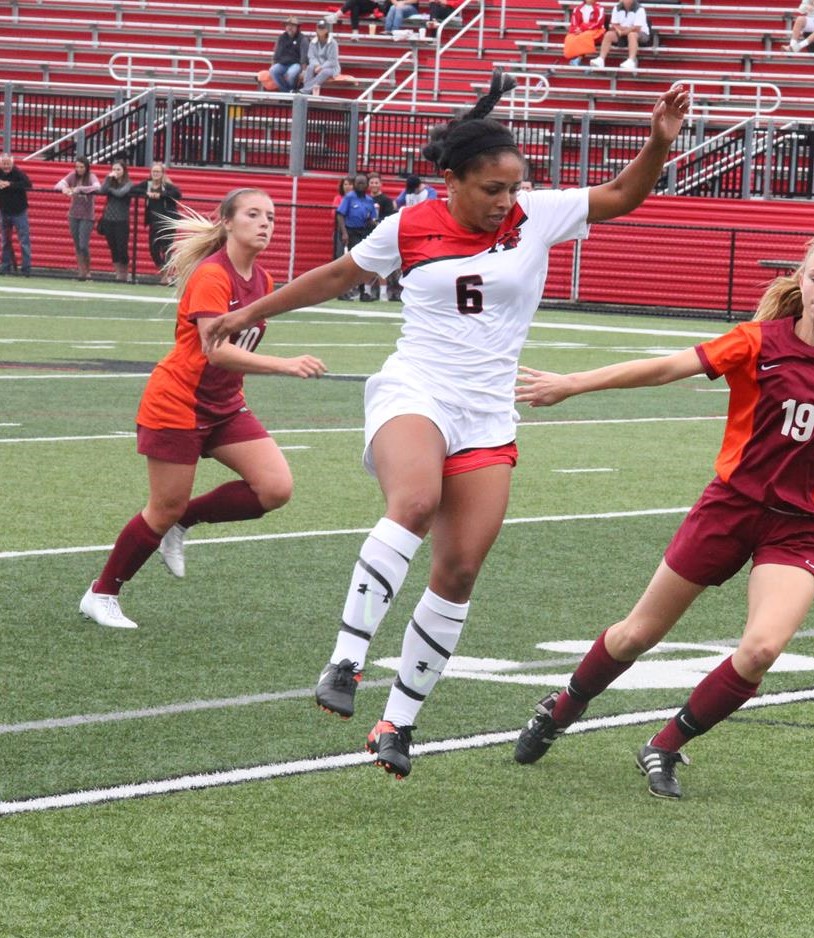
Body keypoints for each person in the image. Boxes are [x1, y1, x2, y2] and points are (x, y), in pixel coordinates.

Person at [197, 74, 692, 780]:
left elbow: (621, 196)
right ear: (452, 181)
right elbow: (338, 275)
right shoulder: (411, 225)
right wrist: (248, 314)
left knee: (459, 569)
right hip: (416, 389)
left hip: (488, 411)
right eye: (493, 188)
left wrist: (657, 142)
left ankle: (396, 722)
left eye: (514, 187)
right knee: (415, 501)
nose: (506, 200)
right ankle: (346, 657)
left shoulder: (538, 215)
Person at [510, 234, 814, 801]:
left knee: (760, 650)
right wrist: (573, 384)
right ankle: (561, 708)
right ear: (799, 279)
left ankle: (664, 744)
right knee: (637, 635)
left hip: (801, 526)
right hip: (730, 508)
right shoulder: (756, 342)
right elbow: (666, 368)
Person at [78, 189, 327, 629]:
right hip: (178, 403)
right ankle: (102, 593)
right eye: (253, 214)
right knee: (163, 508)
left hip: (225, 405)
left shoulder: (263, 280)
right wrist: (285, 365)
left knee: (274, 488)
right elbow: (216, 351)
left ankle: (184, 522)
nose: (265, 223)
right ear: (227, 221)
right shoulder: (213, 275)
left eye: (270, 216)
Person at [55, 158, 101, 281]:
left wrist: (80, 189)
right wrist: (64, 189)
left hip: (87, 216)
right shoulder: (72, 175)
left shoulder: (91, 176)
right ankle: (81, 272)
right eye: (77, 167)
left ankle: (88, 270)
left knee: (83, 245)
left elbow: (97, 187)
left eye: (82, 167)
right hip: (73, 215)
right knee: (77, 245)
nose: (79, 169)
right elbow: (58, 184)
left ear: (86, 167)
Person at [335, 174, 378, 300]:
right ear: (355, 185)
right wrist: (344, 233)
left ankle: (362, 292)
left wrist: (375, 224)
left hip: (362, 232)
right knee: (346, 262)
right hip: (349, 232)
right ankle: (342, 292)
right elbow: (340, 215)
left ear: (367, 185)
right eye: (358, 183)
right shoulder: (349, 197)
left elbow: (371, 218)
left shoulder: (369, 200)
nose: (361, 185)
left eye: (363, 183)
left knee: (361, 263)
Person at [136, 162, 183, 274]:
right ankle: (164, 271)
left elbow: (177, 194)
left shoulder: (167, 186)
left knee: (166, 247)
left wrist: (160, 195)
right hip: (154, 221)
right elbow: (133, 190)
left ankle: (168, 274)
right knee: (153, 248)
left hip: (167, 220)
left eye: (158, 172)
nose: (155, 174)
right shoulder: (148, 184)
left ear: (162, 173)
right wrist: (147, 193)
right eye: (154, 171)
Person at [98, 161, 134, 283]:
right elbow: (102, 190)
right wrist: (108, 179)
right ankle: (118, 273)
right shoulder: (109, 182)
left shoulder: (128, 183)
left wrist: (111, 190)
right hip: (108, 219)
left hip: (121, 221)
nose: (116, 172)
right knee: (113, 247)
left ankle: (125, 273)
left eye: (118, 169)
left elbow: (121, 193)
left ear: (124, 171)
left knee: (122, 248)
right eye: (114, 169)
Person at [368, 172, 401, 301]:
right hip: (367, 234)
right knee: (368, 264)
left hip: (381, 235)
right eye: (372, 182)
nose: (374, 185)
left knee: (382, 264)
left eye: (376, 182)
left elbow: (389, 217)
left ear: (381, 184)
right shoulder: (366, 199)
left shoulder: (386, 200)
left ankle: (383, 293)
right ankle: (366, 291)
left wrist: (378, 222)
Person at [590, 0, 650, 71]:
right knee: (609, 34)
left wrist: (623, 31)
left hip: (641, 33)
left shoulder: (640, 9)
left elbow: (637, 28)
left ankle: (631, 60)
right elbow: (614, 25)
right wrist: (623, 30)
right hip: (623, 33)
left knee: (632, 35)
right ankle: (601, 59)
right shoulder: (616, 8)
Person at [0, 153, 32, 277]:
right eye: (4, 163)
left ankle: (26, 269)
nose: (6, 166)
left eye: (8, 163)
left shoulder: (18, 172)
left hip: (19, 212)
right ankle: (5, 267)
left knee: (24, 241)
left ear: (12, 163)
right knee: (5, 241)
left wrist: (9, 184)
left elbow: (28, 184)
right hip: (4, 211)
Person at [300, 21, 342, 97]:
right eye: (319, 28)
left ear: (327, 30)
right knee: (309, 68)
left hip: (332, 68)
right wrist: (316, 65)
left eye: (323, 28)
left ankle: (304, 90)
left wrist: (321, 67)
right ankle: (307, 90)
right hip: (317, 65)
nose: (320, 30)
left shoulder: (333, 43)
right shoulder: (313, 42)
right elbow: (311, 57)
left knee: (324, 72)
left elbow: (332, 61)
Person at [269, 15, 306, 93]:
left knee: (291, 73)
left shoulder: (303, 39)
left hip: (296, 63)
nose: (290, 27)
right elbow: (276, 53)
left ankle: (289, 92)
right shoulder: (281, 38)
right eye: (288, 25)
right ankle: (288, 92)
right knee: (273, 70)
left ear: (297, 27)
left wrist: (304, 70)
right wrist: (273, 63)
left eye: (292, 25)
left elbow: (304, 56)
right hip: (283, 63)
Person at [564, 0, 606, 65]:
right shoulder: (577, 9)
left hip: (596, 31)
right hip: (581, 31)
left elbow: (599, 24)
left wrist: (583, 28)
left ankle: (579, 58)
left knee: (585, 35)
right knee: (570, 37)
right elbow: (573, 23)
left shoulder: (600, 8)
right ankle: (575, 58)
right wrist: (576, 30)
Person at [331, 175, 352, 261]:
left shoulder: (357, 198)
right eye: (345, 184)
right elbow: (334, 214)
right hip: (339, 230)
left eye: (350, 184)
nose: (347, 187)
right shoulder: (338, 198)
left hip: (354, 230)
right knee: (339, 255)